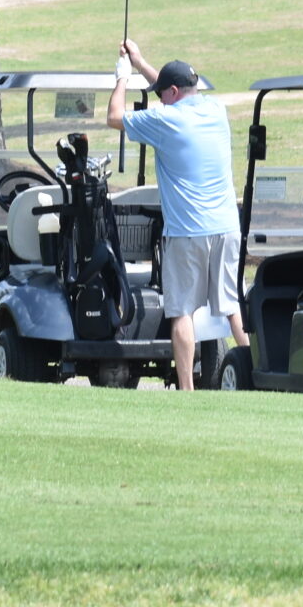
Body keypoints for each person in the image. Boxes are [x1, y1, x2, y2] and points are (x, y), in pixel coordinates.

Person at [107, 39, 247, 389]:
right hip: (228, 227)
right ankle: (252, 374)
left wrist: (123, 77)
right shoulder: (216, 111)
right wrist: (141, 63)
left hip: (187, 231)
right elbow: (170, 92)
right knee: (232, 306)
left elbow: (114, 118)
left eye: (162, 93)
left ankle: (186, 390)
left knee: (181, 311)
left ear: (171, 92)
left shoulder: (166, 121)